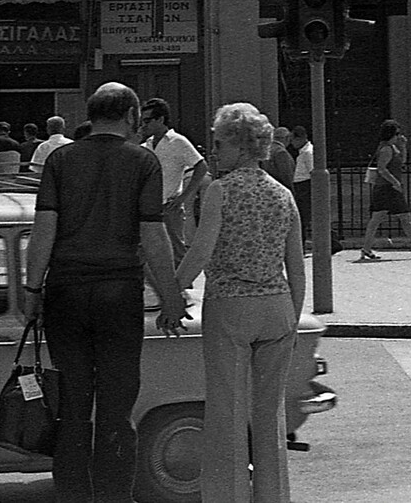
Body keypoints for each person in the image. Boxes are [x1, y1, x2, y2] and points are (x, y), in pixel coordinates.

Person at [24, 84, 187, 503]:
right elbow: (153, 237)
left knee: (73, 405)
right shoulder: (143, 162)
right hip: (119, 294)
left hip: (65, 294)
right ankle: (115, 495)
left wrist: (32, 289)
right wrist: (171, 297)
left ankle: (73, 495)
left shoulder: (60, 160)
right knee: (117, 408)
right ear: (132, 116)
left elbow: (44, 232)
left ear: (92, 114)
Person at [176, 103, 304, 503]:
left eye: (219, 143)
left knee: (226, 413)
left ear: (239, 145)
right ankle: (273, 496)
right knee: (269, 416)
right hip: (277, 306)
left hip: (231, 308)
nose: (214, 152)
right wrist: (293, 319)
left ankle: (227, 497)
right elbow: (296, 265)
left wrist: (172, 291)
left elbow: (200, 252)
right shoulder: (282, 195)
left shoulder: (220, 191)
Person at [140, 99, 209, 261]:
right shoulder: (146, 145)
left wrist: (183, 197)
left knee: (176, 250)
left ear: (160, 120)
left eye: (148, 120)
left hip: (170, 206)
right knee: (149, 250)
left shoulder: (177, 141)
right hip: (149, 206)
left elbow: (201, 166)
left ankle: (184, 285)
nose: (144, 125)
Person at [358, 120, 411, 260]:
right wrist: (395, 182)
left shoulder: (393, 147)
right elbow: (381, 169)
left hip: (389, 187)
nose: (399, 136)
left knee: (400, 217)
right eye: (397, 134)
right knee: (387, 218)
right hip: (386, 188)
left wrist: (403, 147)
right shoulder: (385, 149)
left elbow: (402, 162)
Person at [289, 125, 314, 249]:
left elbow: (312, 172)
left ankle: (301, 245)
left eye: (293, 139)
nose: (291, 143)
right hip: (301, 185)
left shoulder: (307, 152)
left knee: (303, 217)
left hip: (305, 185)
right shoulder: (303, 152)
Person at [263, 126, 296, 192]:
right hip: (281, 188)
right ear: (287, 138)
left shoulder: (267, 150)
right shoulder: (281, 152)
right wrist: (292, 189)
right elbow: (286, 174)